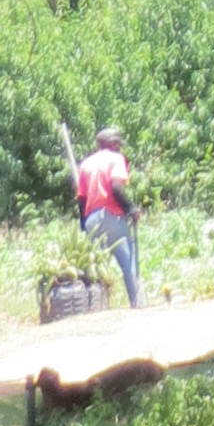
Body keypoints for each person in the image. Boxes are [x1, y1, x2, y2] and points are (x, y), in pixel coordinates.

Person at [73, 124, 140, 308]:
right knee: (128, 262)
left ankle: (95, 306)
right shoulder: (116, 159)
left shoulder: (86, 164)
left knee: (95, 266)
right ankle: (137, 303)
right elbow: (116, 188)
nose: (119, 146)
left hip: (91, 219)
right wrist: (131, 209)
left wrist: (83, 227)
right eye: (117, 143)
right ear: (111, 143)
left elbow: (81, 200)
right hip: (111, 216)